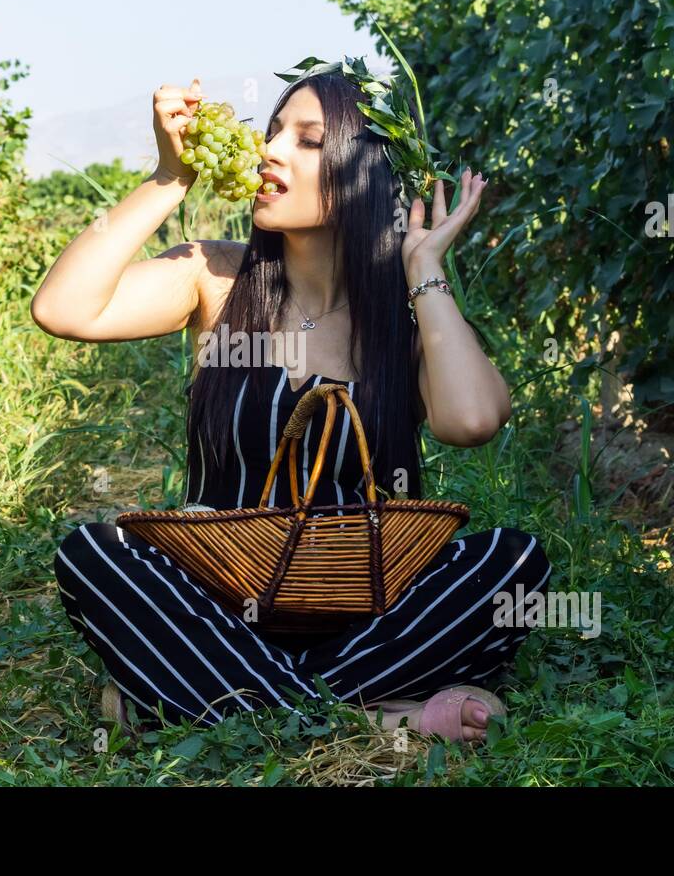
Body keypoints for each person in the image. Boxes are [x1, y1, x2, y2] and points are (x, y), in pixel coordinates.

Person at [32, 70, 551, 743]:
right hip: (220, 600)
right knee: (94, 555)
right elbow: (62, 309)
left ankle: (198, 695)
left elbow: (473, 421)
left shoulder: (404, 313)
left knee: (513, 564)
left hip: (371, 602)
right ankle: (378, 713)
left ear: (360, 175)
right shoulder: (214, 278)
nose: (269, 150)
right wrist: (170, 177)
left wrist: (424, 272)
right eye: (273, 131)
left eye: (306, 140)